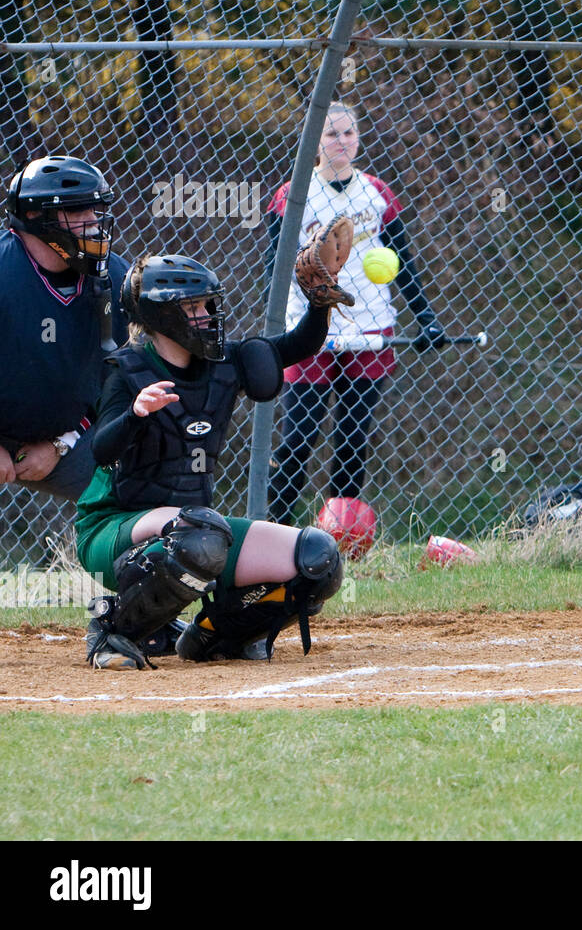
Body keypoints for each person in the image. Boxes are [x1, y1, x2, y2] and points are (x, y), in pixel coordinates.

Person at [76, 243, 351, 670]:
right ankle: (114, 629)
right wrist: (135, 414)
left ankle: (216, 636)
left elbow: (296, 345)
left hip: (194, 529)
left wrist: (318, 306)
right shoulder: (126, 370)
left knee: (317, 561)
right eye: (195, 308)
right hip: (113, 529)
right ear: (162, 315)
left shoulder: (225, 363)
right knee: (199, 535)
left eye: (208, 305)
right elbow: (101, 449)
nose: (208, 316)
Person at [265, 101, 448, 524]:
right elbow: (273, 269)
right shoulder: (292, 195)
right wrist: (277, 326)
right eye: (332, 134)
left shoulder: (377, 193)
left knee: (352, 437)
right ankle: (275, 527)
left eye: (349, 133)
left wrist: (426, 319)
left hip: (368, 328)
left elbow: (405, 261)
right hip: (309, 330)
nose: (342, 141)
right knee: (299, 438)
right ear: (315, 141)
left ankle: (339, 536)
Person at [0, 156, 126, 501]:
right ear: (33, 215)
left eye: (94, 210)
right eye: (77, 212)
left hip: (65, 438)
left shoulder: (113, 276)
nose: (93, 224)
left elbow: (120, 380)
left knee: (146, 489)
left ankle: (122, 552)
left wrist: (61, 443)